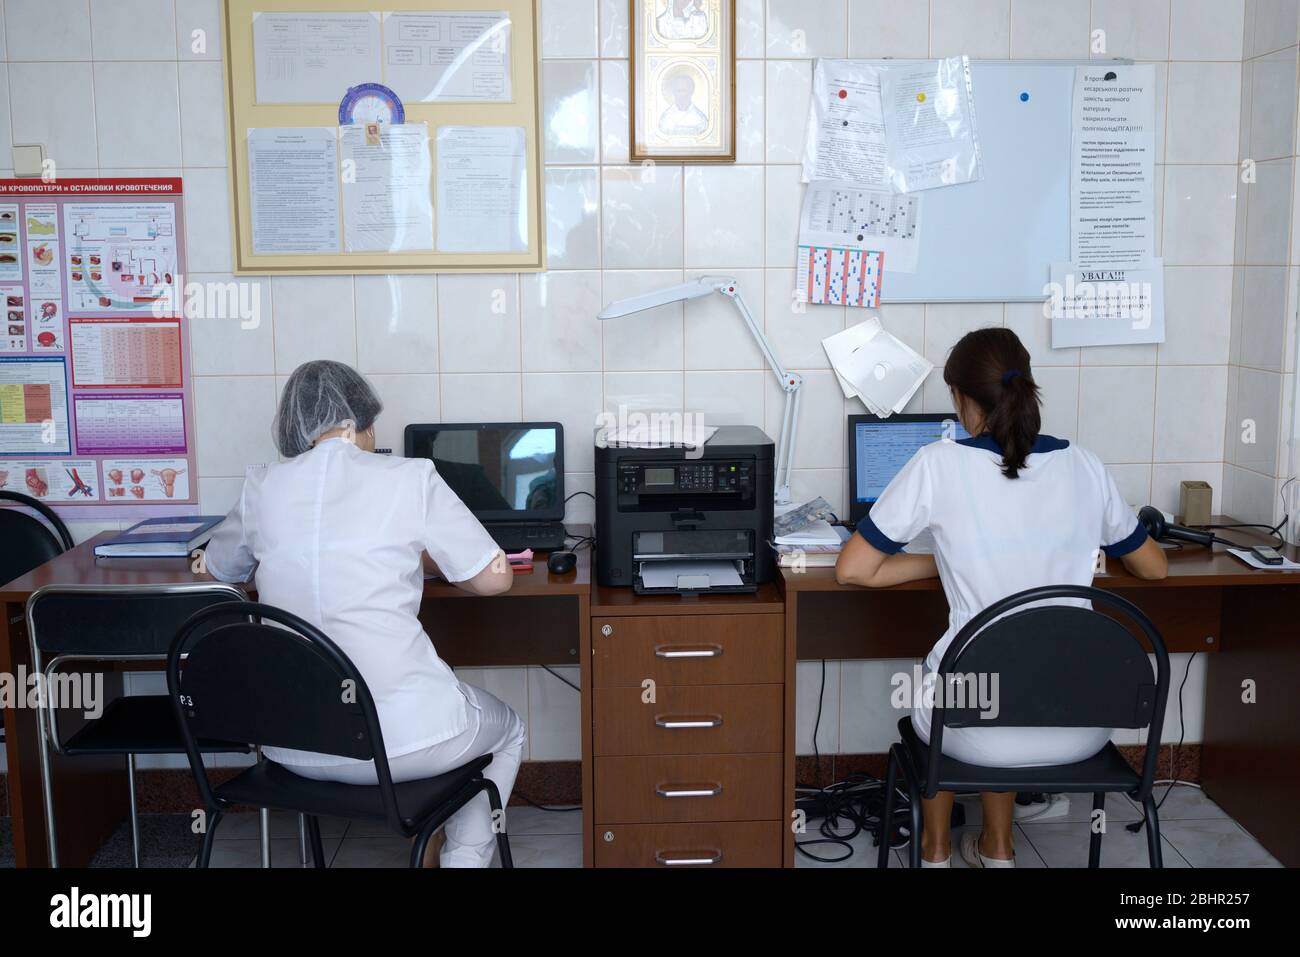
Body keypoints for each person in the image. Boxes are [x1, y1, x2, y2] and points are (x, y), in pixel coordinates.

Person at [835, 328, 1167, 868]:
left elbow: (854, 570)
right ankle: (998, 847)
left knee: (957, 680)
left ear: (963, 400)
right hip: (1081, 727)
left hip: (976, 733)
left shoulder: (939, 464)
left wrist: (948, 557)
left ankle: (935, 848)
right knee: (1018, 666)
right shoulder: (1084, 465)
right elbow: (1154, 568)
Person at [204, 360, 524, 868]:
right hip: (405, 744)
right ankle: (463, 859)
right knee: (510, 728)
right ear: (363, 424)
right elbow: (494, 578)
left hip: (291, 746)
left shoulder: (263, 484)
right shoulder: (410, 477)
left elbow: (216, 570)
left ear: (295, 425)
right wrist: (422, 557)